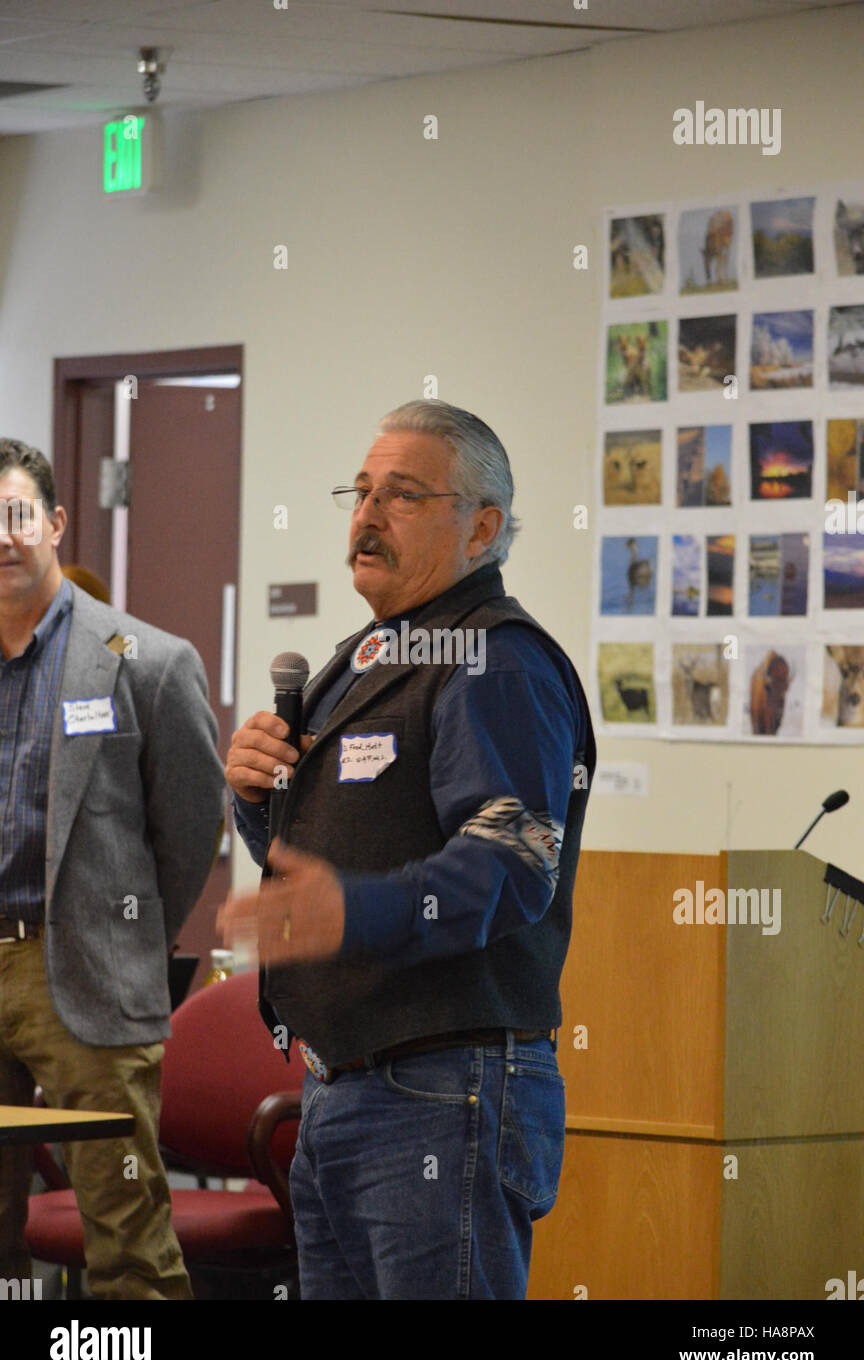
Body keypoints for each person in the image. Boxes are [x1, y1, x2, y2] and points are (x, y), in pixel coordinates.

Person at [221, 400, 595, 1300]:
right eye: (361, 491)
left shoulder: (495, 663)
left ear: (483, 529)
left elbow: (513, 862)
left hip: (443, 1091)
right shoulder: (362, 660)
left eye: (403, 495)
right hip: (341, 1087)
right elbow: (316, 852)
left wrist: (350, 911)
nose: (367, 514)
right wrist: (251, 800)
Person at [0, 438, 225, 1299]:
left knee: (126, 1244)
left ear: (56, 523)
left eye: (20, 515)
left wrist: (132, 939)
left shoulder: (148, 662)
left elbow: (190, 826)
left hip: (87, 968)